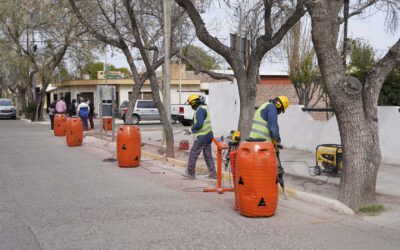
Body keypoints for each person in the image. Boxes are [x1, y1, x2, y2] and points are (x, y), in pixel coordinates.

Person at [183, 94, 216, 179]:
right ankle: (213, 173)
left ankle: (190, 173)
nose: (191, 106)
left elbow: (199, 124)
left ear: (194, 103)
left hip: (202, 136)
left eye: (191, 104)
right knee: (208, 155)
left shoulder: (200, 110)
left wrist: (191, 129)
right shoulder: (204, 108)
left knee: (193, 153)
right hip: (209, 134)